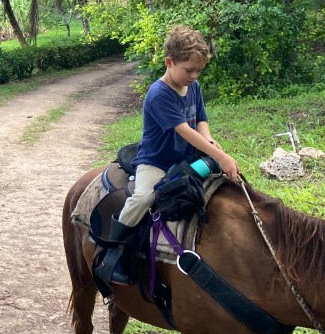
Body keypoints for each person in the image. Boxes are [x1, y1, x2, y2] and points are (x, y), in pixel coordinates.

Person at [94, 26, 240, 287]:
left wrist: (208, 140)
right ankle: (114, 251)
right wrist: (221, 155)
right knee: (144, 197)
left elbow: (201, 120)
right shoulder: (159, 94)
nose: (194, 76)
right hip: (157, 160)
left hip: (185, 157)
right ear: (169, 62)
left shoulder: (192, 87)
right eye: (189, 70)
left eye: (198, 71)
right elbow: (184, 130)